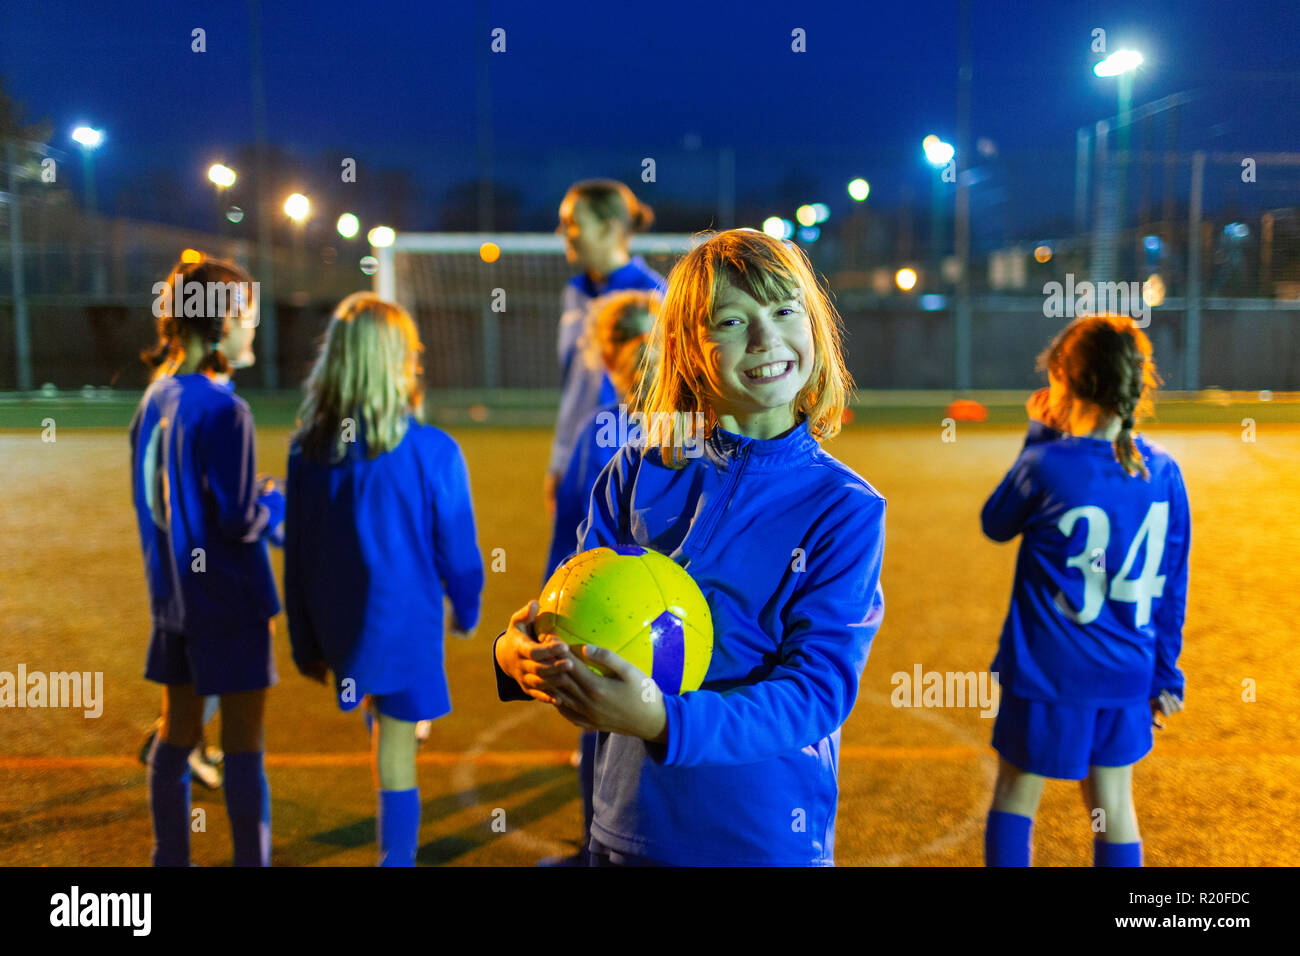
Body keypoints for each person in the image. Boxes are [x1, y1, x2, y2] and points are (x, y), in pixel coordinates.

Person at [496, 229, 886, 865]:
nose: (765, 339)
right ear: (685, 347)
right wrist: (522, 655)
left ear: (814, 323)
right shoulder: (636, 471)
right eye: (732, 320)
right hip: (627, 826)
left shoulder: (844, 507)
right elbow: (577, 606)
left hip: (760, 837)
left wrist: (663, 722)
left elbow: (817, 692)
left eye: (785, 311)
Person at [980, 313, 1190, 867]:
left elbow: (996, 523)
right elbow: (1173, 582)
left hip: (1048, 673)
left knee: (1016, 795)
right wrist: (1166, 670)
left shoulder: (1048, 463)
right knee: (1112, 805)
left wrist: (1039, 435)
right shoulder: (1164, 471)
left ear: (1068, 383)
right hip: (1127, 672)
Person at [284, 292, 485, 867]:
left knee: (379, 712)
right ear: (403, 362)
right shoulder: (433, 450)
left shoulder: (308, 452)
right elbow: (461, 554)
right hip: (406, 630)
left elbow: (296, 556)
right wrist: (466, 609)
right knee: (397, 749)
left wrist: (305, 641)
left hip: (339, 627)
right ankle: (396, 860)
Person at [131, 255, 282, 866]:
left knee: (175, 737)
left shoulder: (156, 396)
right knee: (243, 746)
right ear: (219, 323)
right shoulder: (225, 409)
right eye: (247, 315)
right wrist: (275, 504)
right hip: (231, 599)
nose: (255, 328)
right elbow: (237, 518)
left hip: (174, 600)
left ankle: (169, 859)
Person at [540, 289, 659, 865]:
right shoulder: (684, 423)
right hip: (661, 611)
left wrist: (551, 600)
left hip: (597, 600)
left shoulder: (606, 427)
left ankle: (597, 845)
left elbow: (573, 527)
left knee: (601, 726)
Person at [544, 179, 665, 516]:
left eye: (572, 223)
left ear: (609, 228)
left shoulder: (654, 296)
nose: (563, 233)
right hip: (581, 455)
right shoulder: (575, 293)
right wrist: (560, 460)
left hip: (630, 457)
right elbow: (575, 388)